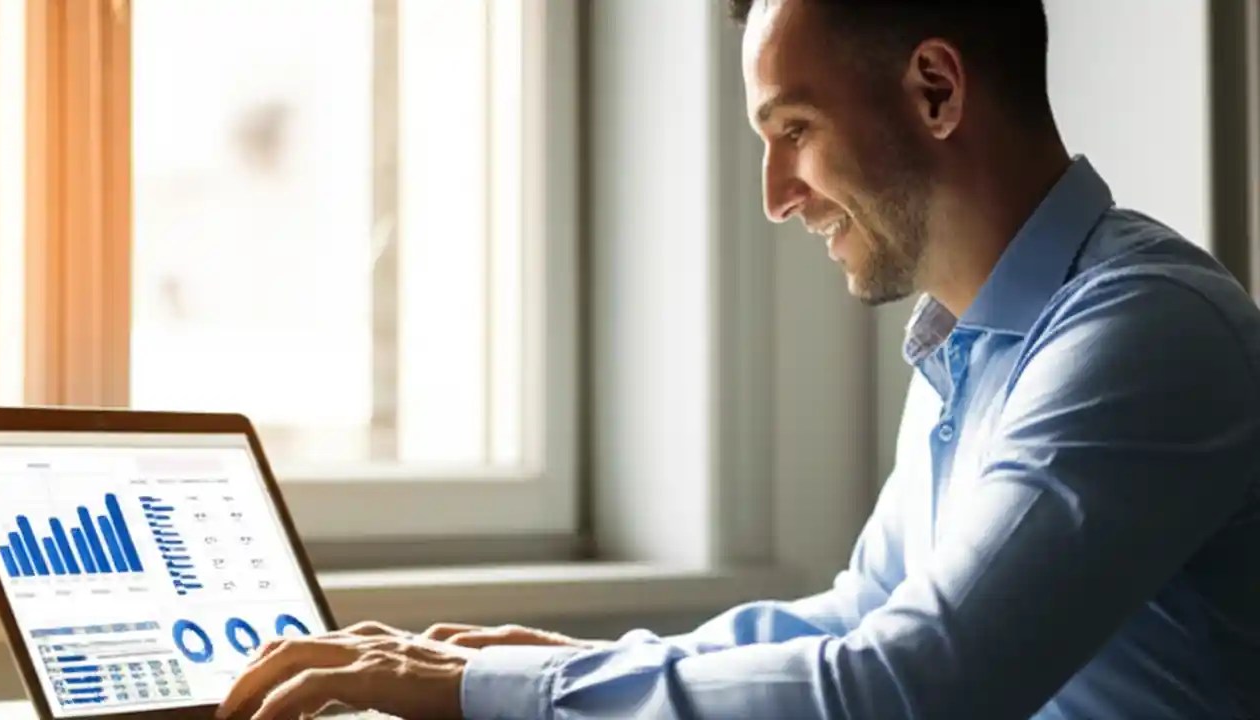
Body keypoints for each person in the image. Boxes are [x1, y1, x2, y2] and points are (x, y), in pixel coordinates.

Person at [216, 0, 1260, 717]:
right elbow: (862, 618)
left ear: (935, 91)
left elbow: (906, 689)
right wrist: (558, 665)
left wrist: (478, 697)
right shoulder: (970, 346)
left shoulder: (1141, 332)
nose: (775, 193)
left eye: (792, 129)